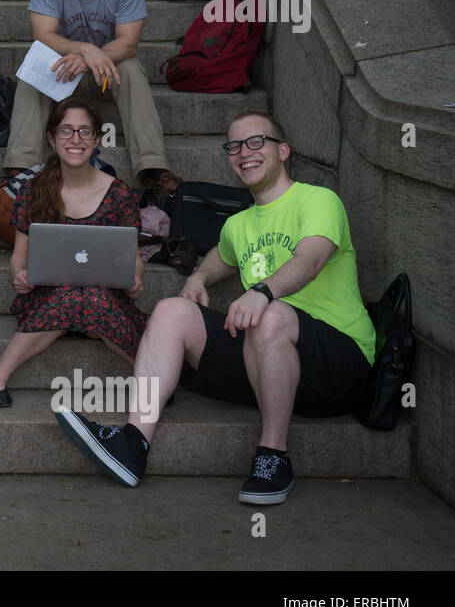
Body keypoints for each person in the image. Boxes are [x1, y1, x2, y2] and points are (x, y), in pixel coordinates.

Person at [55, 111, 376, 504]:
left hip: (338, 364)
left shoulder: (318, 200)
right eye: (235, 146)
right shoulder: (238, 225)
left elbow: (309, 260)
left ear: (284, 151)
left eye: (257, 142)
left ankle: (273, 456)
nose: (245, 153)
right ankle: (133, 443)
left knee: (269, 315)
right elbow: (219, 258)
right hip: (268, 365)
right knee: (172, 310)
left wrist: (262, 291)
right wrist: (198, 278)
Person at [0, 98, 145, 407]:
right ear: (52, 138)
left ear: (97, 139)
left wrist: (135, 279)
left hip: (105, 297)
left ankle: (147, 372)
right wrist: (19, 275)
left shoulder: (119, 192)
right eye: (66, 130)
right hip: (48, 295)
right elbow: (20, 254)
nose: (75, 139)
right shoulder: (34, 189)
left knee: (93, 297)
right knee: (70, 295)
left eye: (85, 131)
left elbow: (133, 258)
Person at [4, 0, 181, 194]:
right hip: (61, 74)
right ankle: (19, 167)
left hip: (103, 74)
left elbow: (128, 43)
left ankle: (152, 167)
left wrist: (92, 59)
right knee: (33, 68)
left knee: (131, 67)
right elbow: (43, 35)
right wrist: (86, 50)